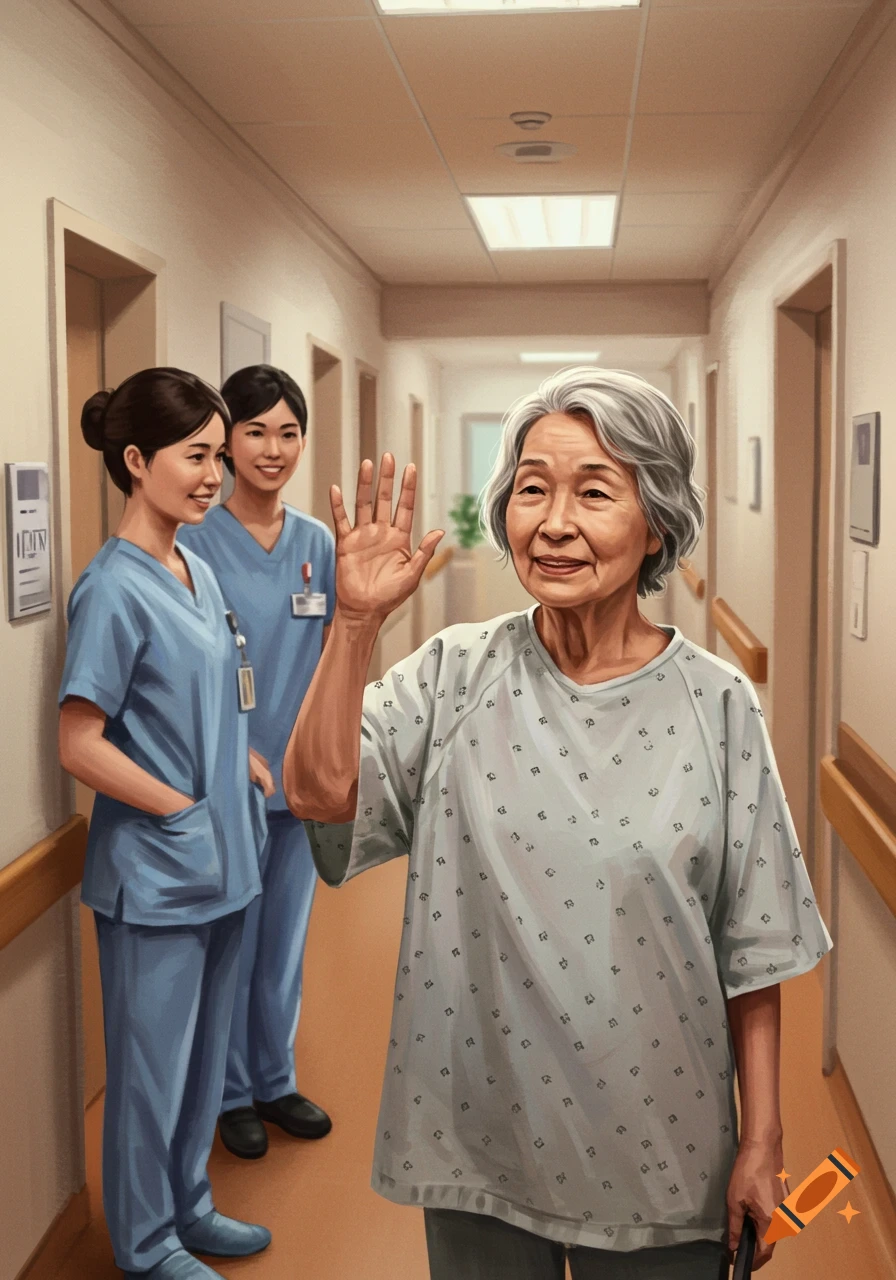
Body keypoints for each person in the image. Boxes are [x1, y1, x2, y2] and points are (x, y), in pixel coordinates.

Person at [282, 367, 833, 1279]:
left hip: (664, 1148)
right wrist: (352, 626)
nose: (554, 522)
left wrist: (763, 1139)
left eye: (594, 491)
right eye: (531, 488)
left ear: (655, 519)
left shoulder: (717, 702)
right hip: (479, 1137)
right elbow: (318, 793)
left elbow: (756, 945)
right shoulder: (454, 673)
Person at [58, 368, 274, 1280]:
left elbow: (219, 687)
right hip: (158, 874)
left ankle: (191, 1206)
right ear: (137, 460)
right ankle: (146, 1246)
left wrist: (245, 756)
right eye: (197, 457)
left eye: (219, 457)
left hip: (229, 861)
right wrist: (182, 805)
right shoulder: (111, 588)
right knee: (148, 1075)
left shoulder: (197, 564)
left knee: (199, 1062)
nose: (214, 475)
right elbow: (79, 743)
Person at [178, 364, 334, 1160]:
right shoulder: (193, 541)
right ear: (226, 442)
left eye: (289, 432)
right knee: (230, 943)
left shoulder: (318, 545)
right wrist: (230, 755)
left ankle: (275, 1077)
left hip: (299, 784)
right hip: (227, 777)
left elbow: (342, 657)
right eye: (255, 432)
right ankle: (230, 1092)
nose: (273, 449)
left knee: (283, 944)